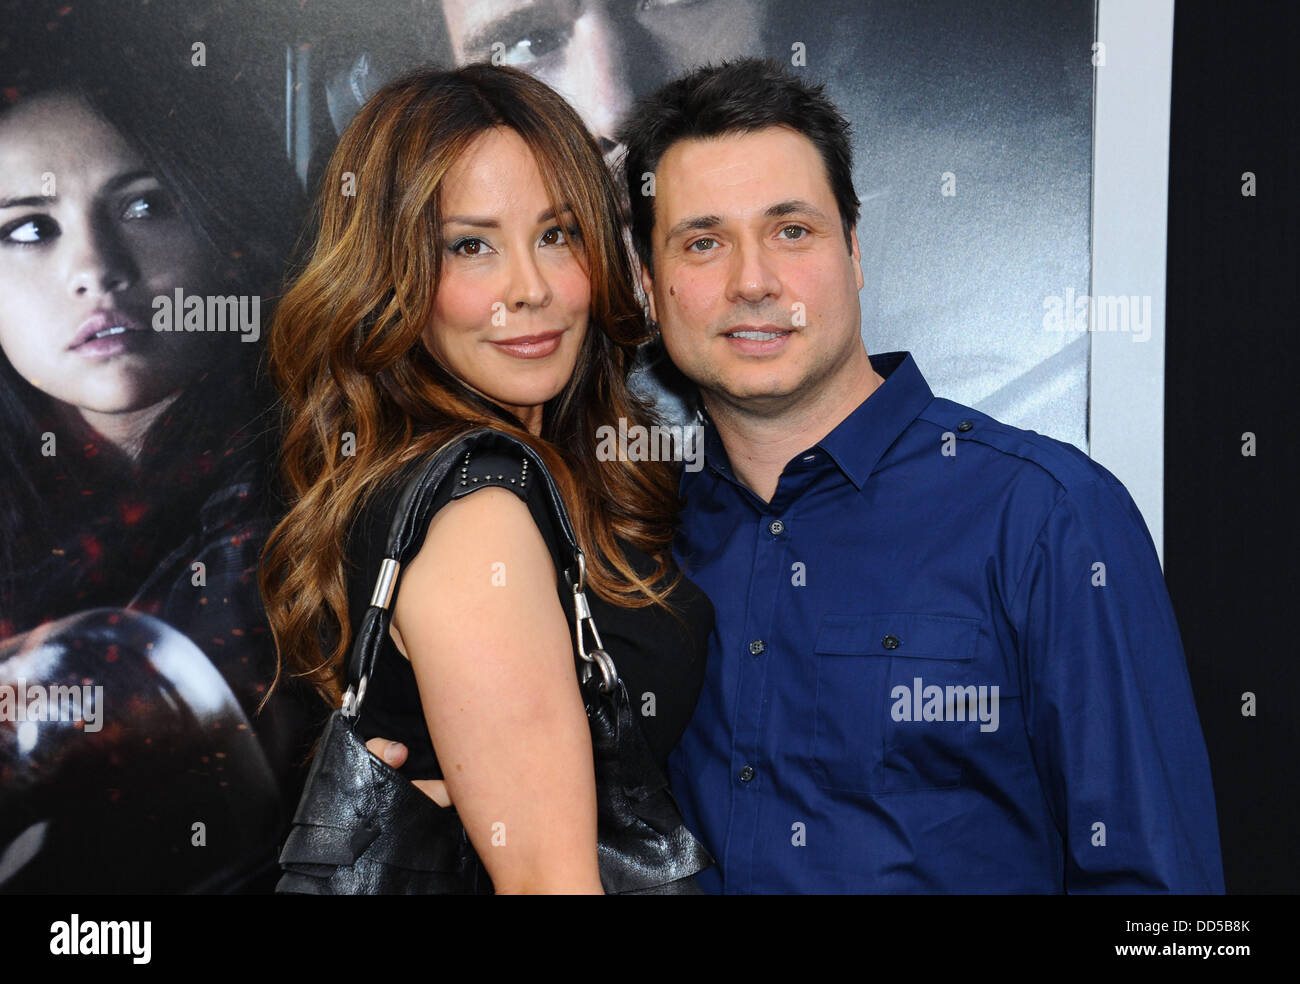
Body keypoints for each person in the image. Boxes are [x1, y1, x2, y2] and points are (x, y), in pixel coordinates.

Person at [604, 57, 1224, 893]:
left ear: (854, 251)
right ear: (647, 284)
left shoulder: (1048, 517)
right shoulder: (634, 540)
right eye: (704, 242)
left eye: (793, 230)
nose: (753, 282)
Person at [258, 63, 713, 894]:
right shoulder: (481, 507)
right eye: (471, 246)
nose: (529, 290)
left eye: (557, 234)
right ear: (394, 276)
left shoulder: (501, 477)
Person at [0, 46, 320, 891]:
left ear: (224, 232)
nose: (95, 269)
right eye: (28, 229)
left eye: (145, 205)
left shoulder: (324, 477)